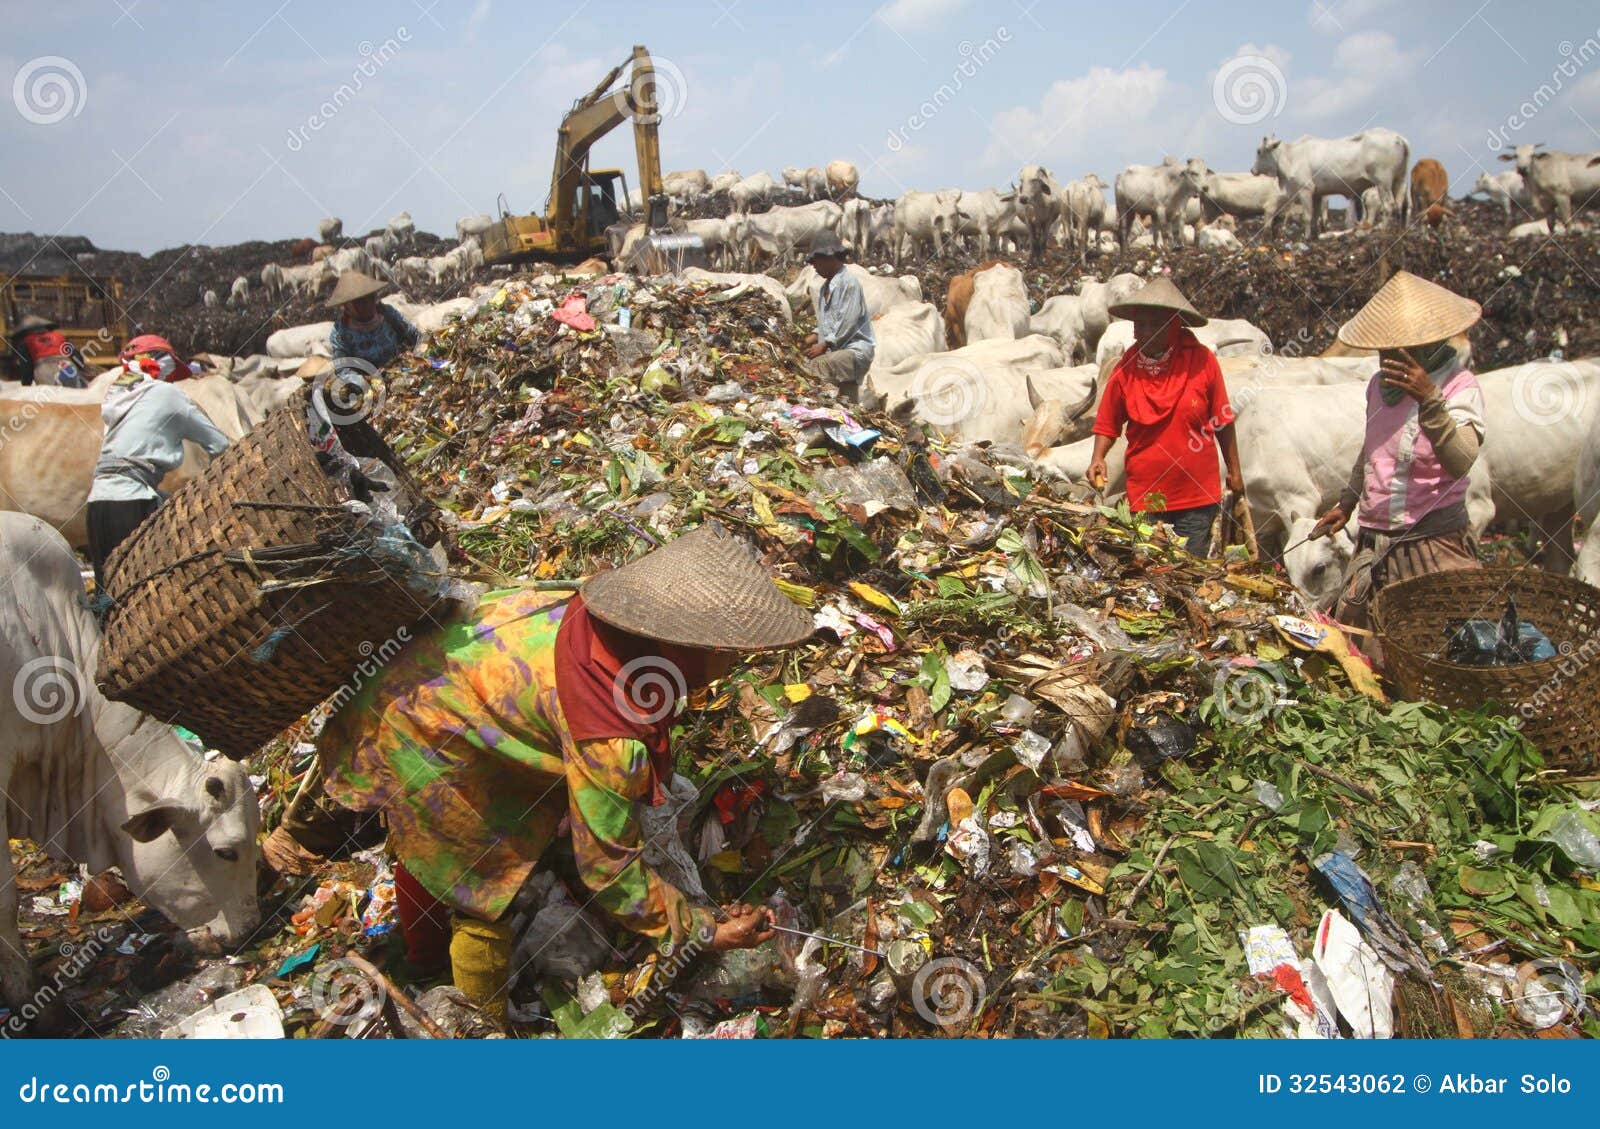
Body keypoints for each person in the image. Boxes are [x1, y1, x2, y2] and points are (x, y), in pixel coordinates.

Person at [307, 522, 813, 1019]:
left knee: (439, 846)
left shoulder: (591, 609)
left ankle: (421, 947)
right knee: (481, 890)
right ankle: (470, 1019)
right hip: (422, 726)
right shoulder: (610, 735)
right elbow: (607, 869)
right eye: (736, 655)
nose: (739, 665)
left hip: (429, 678)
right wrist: (701, 928)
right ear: (710, 651)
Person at [1310, 271, 1485, 665]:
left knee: (1432, 652)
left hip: (1430, 543)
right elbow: (1372, 448)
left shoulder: (1459, 384)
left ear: (1425, 346)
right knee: (1363, 653)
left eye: (1399, 351)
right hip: (1375, 542)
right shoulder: (1377, 386)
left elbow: (1461, 461)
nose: (1389, 360)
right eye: (1384, 351)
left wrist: (1430, 400)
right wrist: (1347, 503)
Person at [1086, 278, 1243, 557]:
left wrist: (1234, 470)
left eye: (1152, 325)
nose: (1144, 332)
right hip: (1146, 495)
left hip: (1195, 493)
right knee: (1150, 571)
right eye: (1139, 325)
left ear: (1173, 325)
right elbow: (1108, 422)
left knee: (1189, 569)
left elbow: (1222, 420)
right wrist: (1098, 458)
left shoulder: (1203, 362)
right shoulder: (1126, 369)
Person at [85, 336, 229, 587]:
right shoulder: (168, 394)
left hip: (97, 505)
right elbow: (219, 445)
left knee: (107, 596)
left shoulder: (116, 400)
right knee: (142, 592)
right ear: (165, 366)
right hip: (130, 505)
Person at [801, 232, 875, 398]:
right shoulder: (824, 288)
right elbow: (827, 324)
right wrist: (805, 341)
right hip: (838, 350)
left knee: (819, 364)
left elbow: (847, 322)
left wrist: (825, 344)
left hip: (854, 350)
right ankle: (846, 408)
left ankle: (825, 405)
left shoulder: (848, 283)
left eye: (816, 261)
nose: (813, 266)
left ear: (829, 257)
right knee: (846, 396)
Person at [328, 271, 418, 369]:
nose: (367, 304)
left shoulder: (387, 313)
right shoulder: (341, 333)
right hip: (366, 379)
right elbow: (342, 368)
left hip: (400, 369)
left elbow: (415, 336)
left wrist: (418, 357)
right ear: (347, 306)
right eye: (359, 302)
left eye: (370, 297)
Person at [6, 313, 90, 387]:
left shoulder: (25, 342)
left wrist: (26, 384)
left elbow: (26, 365)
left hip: (44, 371)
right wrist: (81, 369)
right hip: (67, 366)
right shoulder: (59, 336)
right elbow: (76, 356)